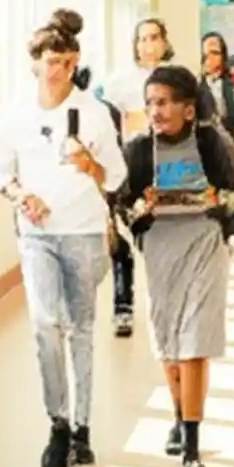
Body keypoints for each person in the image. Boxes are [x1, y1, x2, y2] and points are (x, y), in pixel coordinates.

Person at [0, 9, 127, 467]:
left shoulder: (93, 112)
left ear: (74, 62)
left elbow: (117, 177)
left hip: (84, 231)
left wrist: (90, 166)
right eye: (48, 60)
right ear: (34, 63)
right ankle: (57, 424)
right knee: (46, 325)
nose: (55, 70)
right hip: (38, 235)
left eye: (64, 61)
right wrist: (21, 195)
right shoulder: (13, 113)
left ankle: (84, 430)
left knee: (81, 329)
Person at [116, 65, 234, 467]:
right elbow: (122, 207)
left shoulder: (211, 142)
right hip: (159, 250)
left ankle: (191, 444)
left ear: (188, 109)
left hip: (205, 243)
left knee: (195, 343)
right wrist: (143, 207)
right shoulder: (137, 151)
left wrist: (217, 199)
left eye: (165, 102)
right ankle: (178, 414)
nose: (156, 111)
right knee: (170, 347)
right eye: (151, 103)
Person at [96, 18, 173, 337]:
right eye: (141, 38)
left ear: (165, 42)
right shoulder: (120, 81)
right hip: (130, 167)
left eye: (154, 38)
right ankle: (123, 306)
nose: (147, 44)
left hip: (168, 167)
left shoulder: (177, 78)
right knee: (122, 239)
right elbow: (105, 122)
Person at [198, 31, 234, 140]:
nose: (209, 58)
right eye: (205, 54)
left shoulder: (232, 84)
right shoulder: (197, 87)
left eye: (214, 53)